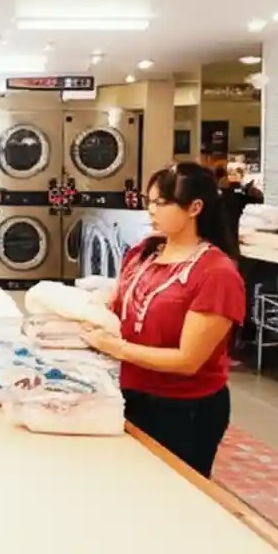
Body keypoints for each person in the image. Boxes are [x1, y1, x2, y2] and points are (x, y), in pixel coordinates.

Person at [80, 163, 246, 478]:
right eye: (149, 201)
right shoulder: (144, 254)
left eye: (162, 202)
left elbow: (187, 360)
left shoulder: (216, 274)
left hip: (183, 410)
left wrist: (116, 348)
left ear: (195, 207)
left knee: (175, 497)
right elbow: (123, 302)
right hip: (125, 394)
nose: (151, 210)